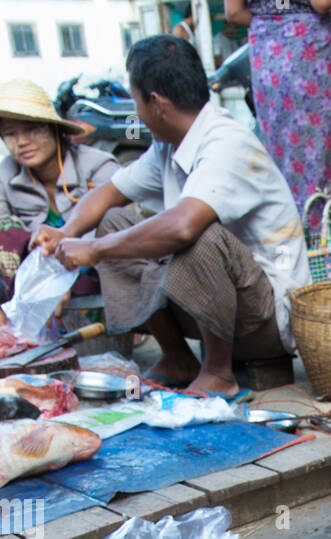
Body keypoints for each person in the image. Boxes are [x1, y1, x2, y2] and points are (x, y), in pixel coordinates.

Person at [32, 36, 310, 399]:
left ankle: (217, 373)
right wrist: (65, 232)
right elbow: (109, 193)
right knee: (113, 222)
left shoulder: (226, 142)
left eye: (135, 100)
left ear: (156, 103)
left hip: (268, 318)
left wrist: (95, 250)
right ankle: (178, 358)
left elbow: (182, 226)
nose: (136, 109)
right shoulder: (168, 146)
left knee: (197, 235)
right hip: (217, 306)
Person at [226, 0, 331, 231]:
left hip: (266, 52)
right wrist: (293, 19)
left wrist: (272, 20)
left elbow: (234, 12)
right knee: (325, 165)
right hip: (308, 50)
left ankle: (290, 244)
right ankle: (327, 254)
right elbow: (321, 3)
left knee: (283, 163)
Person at [0, 80, 118, 306]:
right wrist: (42, 280)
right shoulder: (5, 173)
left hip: (94, 273)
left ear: (55, 129)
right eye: (10, 134)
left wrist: (60, 280)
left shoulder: (98, 166)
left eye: (33, 130)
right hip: (31, 279)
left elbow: (116, 230)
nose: (22, 142)